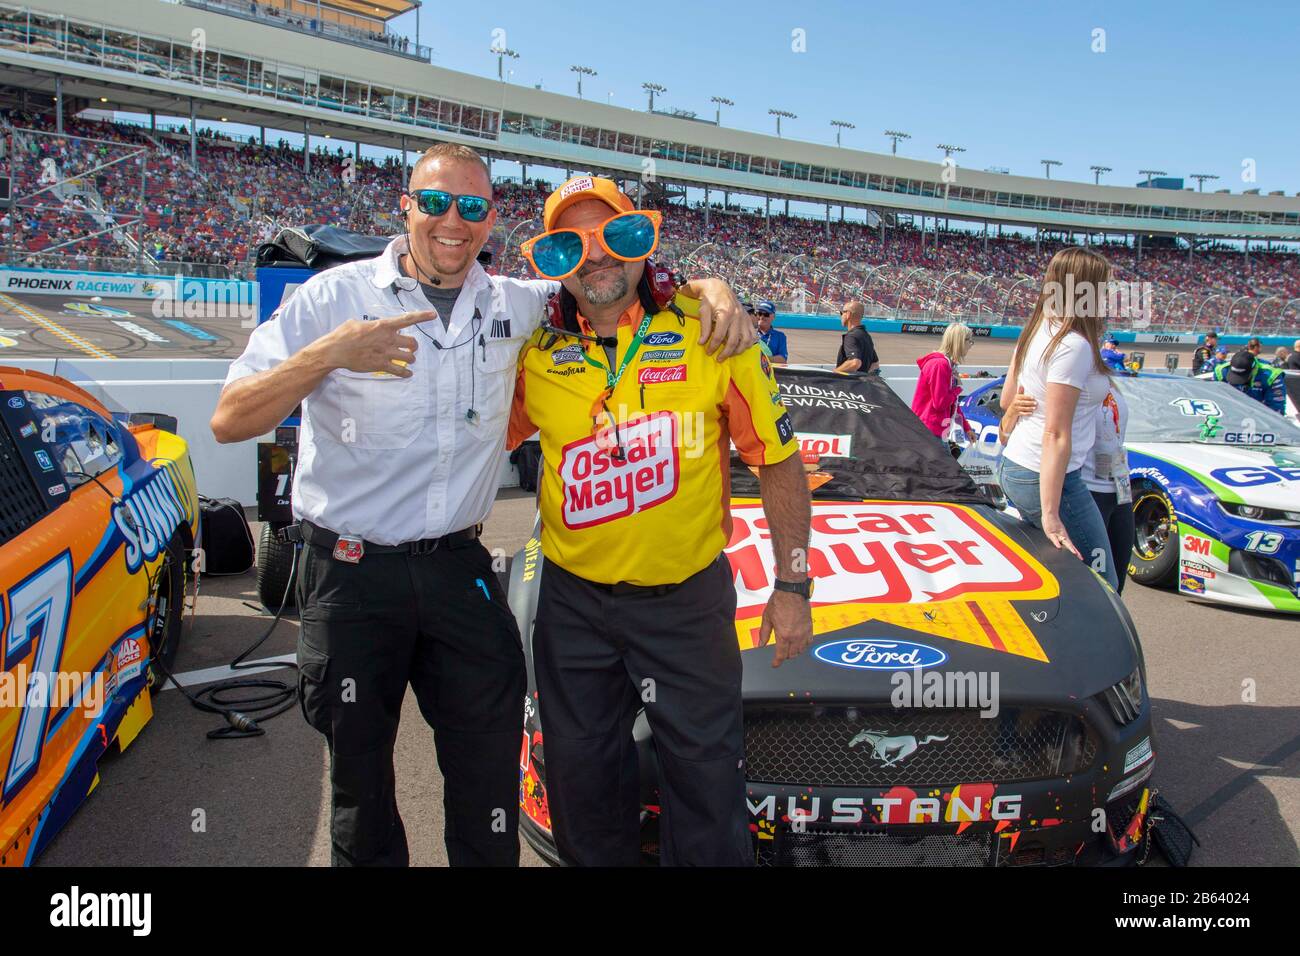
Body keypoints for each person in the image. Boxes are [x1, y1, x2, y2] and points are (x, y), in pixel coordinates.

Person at [210, 145, 752, 867]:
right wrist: (328, 355)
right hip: (349, 574)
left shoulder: (518, 303)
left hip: (456, 570)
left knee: (487, 776)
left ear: (490, 219)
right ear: (405, 207)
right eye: (434, 203)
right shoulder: (332, 300)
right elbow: (229, 419)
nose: (452, 222)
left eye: (471, 207)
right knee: (359, 788)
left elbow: (610, 282)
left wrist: (709, 286)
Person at [506, 176, 813, 867]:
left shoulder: (713, 334)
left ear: (644, 241)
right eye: (571, 244)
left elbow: (779, 460)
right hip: (573, 605)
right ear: (553, 259)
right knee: (583, 789)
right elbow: (467, 441)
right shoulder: (533, 352)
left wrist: (793, 587)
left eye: (616, 235)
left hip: (686, 604)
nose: (597, 257)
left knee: (707, 786)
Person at [997, 247, 1119, 590]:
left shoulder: (1037, 329)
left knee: (1054, 576)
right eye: (1103, 287)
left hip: (1020, 466)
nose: (1108, 295)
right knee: (1103, 584)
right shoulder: (1073, 345)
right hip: (1050, 477)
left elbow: (1008, 399)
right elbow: (1055, 433)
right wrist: (1051, 515)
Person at [911, 322, 973, 441]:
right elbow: (940, 403)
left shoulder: (946, 364)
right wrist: (957, 389)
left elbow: (951, 403)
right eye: (969, 341)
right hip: (929, 431)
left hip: (933, 430)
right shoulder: (940, 365)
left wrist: (966, 427)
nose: (970, 346)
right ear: (960, 341)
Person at [1214, 348, 1286, 415]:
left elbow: (1276, 411)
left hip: (1259, 416)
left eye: (1241, 376)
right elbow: (1214, 400)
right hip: (1229, 414)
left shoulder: (1271, 376)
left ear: (1253, 370)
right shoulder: (1220, 371)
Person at [834, 300, 879, 374]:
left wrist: (835, 372)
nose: (841, 316)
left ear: (848, 314)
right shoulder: (866, 336)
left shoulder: (851, 336)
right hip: (862, 384)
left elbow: (855, 363)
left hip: (849, 384)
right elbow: (875, 364)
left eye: (841, 313)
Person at [751, 299, 788, 364]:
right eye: (759, 313)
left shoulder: (780, 336)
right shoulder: (749, 333)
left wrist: (760, 359)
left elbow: (783, 359)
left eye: (766, 314)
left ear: (773, 317)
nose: (762, 317)